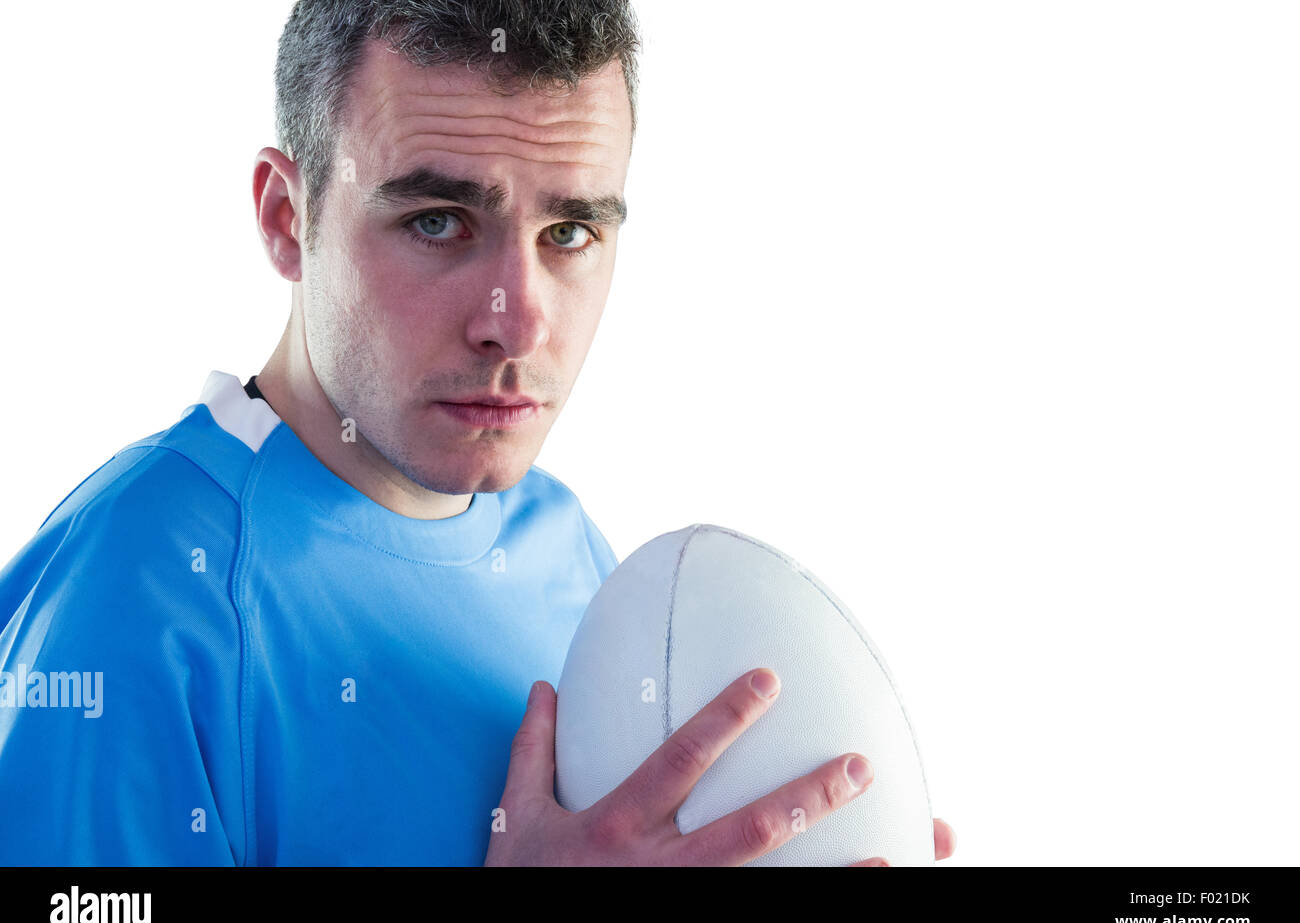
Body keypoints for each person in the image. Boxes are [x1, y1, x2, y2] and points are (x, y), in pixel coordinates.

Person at [0, 0, 953, 866]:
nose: (518, 322)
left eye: (570, 232)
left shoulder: (567, 548)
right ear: (288, 218)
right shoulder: (137, 598)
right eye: (439, 221)